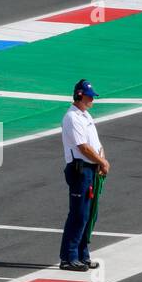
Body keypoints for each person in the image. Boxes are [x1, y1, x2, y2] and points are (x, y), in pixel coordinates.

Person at [59, 79, 110, 271]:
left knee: (89, 215)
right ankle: (68, 257)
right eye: (89, 96)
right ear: (79, 95)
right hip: (79, 170)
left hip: (91, 169)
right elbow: (83, 147)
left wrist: (101, 159)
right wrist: (102, 161)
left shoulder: (86, 116)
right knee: (79, 214)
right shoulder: (72, 118)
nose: (92, 100)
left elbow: (96, 144)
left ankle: (82, 254)